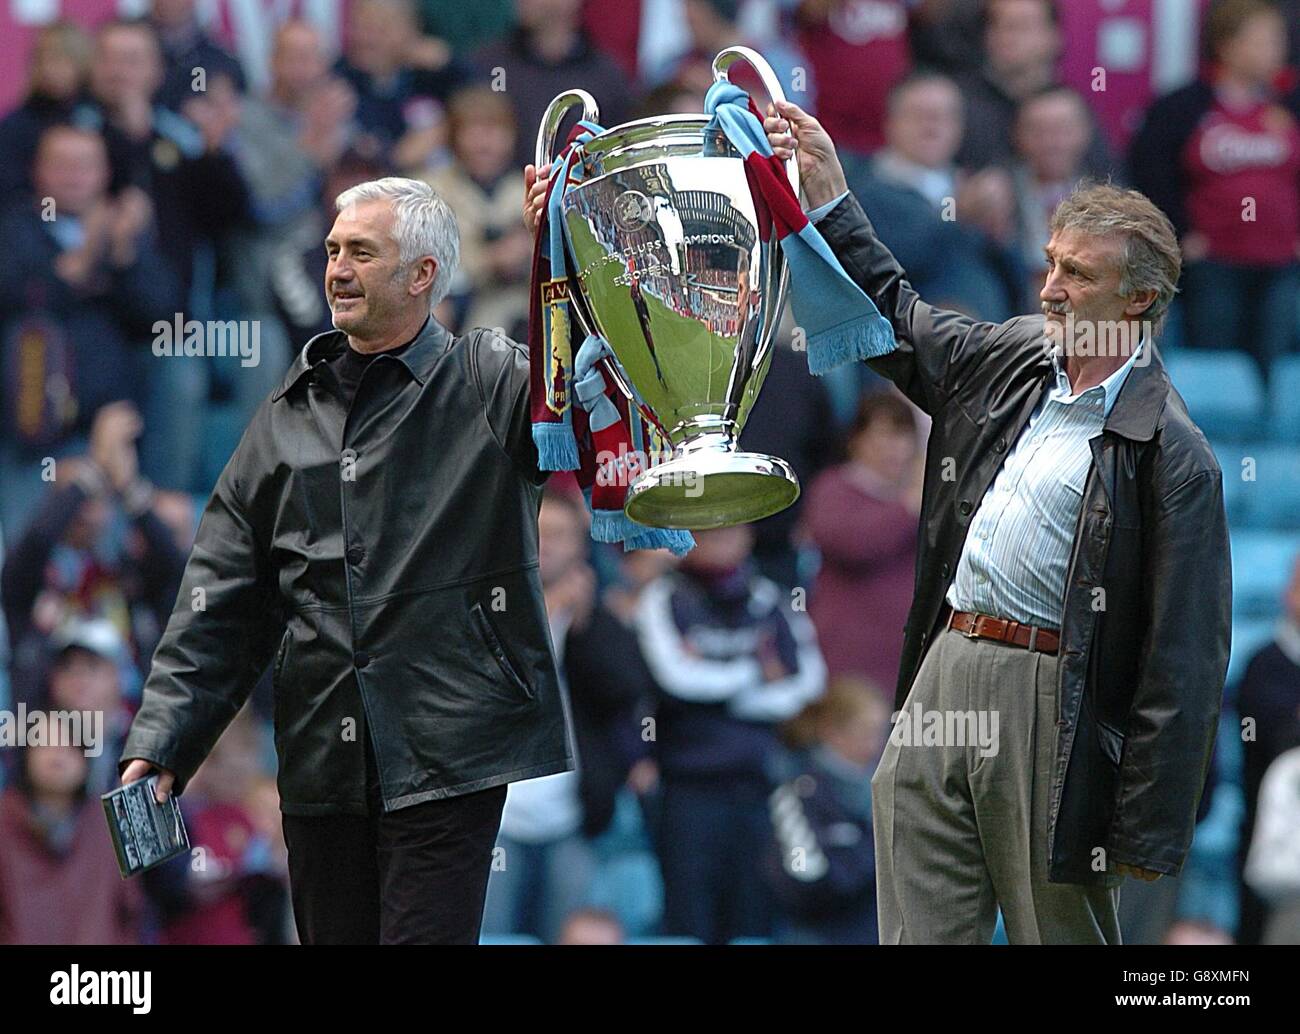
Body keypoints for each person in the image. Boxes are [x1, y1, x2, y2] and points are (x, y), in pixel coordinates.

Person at [757, 97, 1231, 944]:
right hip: (947, 660)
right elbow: (895, 320)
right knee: (919, 923)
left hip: (1055, 692)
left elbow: (1185, 657)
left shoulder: (1174, 454)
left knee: (1059, 933)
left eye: (1078, 275)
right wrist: (829, 195)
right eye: (1051, 263)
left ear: (1138, 301)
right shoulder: (1014, 355)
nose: (1050, 287)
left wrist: (1146, 826)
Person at [118, 177, 574, 945]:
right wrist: (165, 738)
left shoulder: (489, 377)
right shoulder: (285, 411)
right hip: (321, 760)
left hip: (447, 753)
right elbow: (221, 592)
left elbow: (592, 385)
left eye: (362, 252)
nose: (337, 268)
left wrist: (568, 248)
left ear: (424, 274)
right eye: (333, 251)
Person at [635, 524, 826, 943]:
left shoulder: (772, 599)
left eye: (731, 530)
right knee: (689, 918)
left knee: (754, 918)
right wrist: (758, 673)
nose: (722, 539)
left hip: (760, 785)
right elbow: (676, 679)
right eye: (709, 530)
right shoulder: (663, 597)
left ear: (750, 537)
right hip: (688, 789)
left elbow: (808, 683)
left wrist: (722, 685)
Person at [1129, 0, 1300, 369]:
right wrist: (1181, 234)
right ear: (1227, 45)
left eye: (1278, 40)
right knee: (1217, 364)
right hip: (1214, 263)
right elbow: (1151, 175)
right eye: (1262, 40)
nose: (1276, 51)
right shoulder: (1182, 107)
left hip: (1283, 263)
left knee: (1282, 363)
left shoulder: (1289, 109)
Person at [802, 390, 920, 696]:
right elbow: (853, 543)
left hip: (906, 664)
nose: (892, 449)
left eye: (901, 436)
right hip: (849, 663)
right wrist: (907, 510)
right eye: (881, 436)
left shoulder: (921, 499)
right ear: (855, 440)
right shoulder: (834, 488)